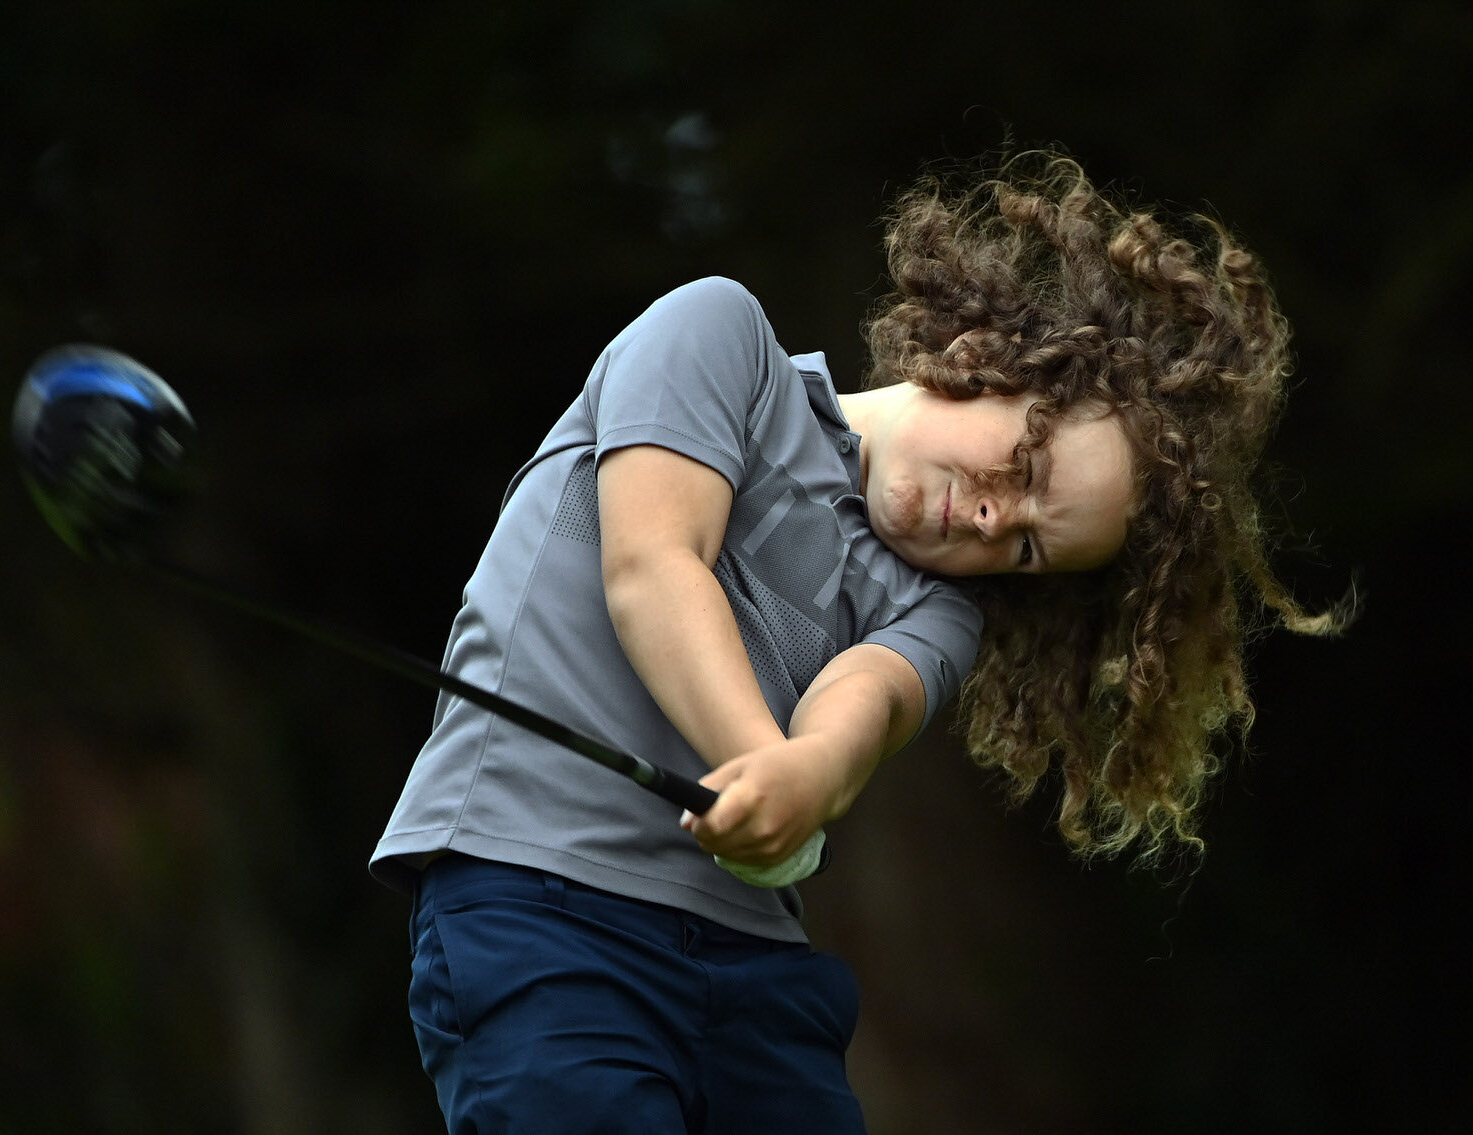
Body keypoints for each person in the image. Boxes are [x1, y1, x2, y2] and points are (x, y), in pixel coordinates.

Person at [370, 150, 1349, 1133]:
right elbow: (654, 565)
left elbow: (861, 706)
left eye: (1023, 545)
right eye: (1019, 468)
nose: (985, 518)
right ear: (986, 359)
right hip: (537, 908)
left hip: (753, 972)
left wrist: (806, 776)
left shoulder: (938, 610)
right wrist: (761, 758)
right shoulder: (717, 336)